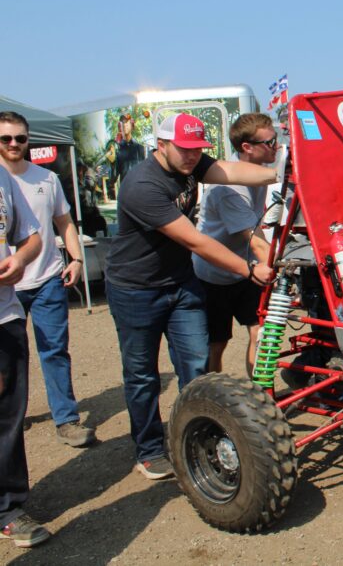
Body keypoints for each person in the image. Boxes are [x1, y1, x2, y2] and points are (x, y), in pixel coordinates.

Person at [105, 113, 277, 480]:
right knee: (142, 374)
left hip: (180, 283)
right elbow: (195, 240)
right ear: (161, 145)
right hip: (136, 289)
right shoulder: (143, 185)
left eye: (198, 150)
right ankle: (150, 449)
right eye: (185, 149)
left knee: (197, 365)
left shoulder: (192, 165)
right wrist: (247, 269)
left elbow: (233, 171)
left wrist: (284, 171)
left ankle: (199, 433)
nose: (192, 157)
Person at [0, 113, 96, 448]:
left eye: (20, 138)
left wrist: (77, 259)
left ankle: (66, 419)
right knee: (9, 356)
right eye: (6, 139)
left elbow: (65, 223)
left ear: (29, 140)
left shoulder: (47, 179)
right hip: (5, 287)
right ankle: (12, 413)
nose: (14, 144)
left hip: (46, 279)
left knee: (54, 350)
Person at [194, 113, 278, 374]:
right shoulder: (230, 189)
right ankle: (212, 397)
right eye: (270, 142)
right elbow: (256, 243)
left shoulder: (257, 175)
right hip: (215, 274)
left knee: (259, 331)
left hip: (243, 270)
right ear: (247, 148)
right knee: (218, 342)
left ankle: (261, 394)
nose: (276, 146)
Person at [0, 161, 46, 547]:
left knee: (8, 416)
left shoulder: (3, 178)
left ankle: (9, 507)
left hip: (5, 315)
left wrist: (20, 259)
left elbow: (31, 237)